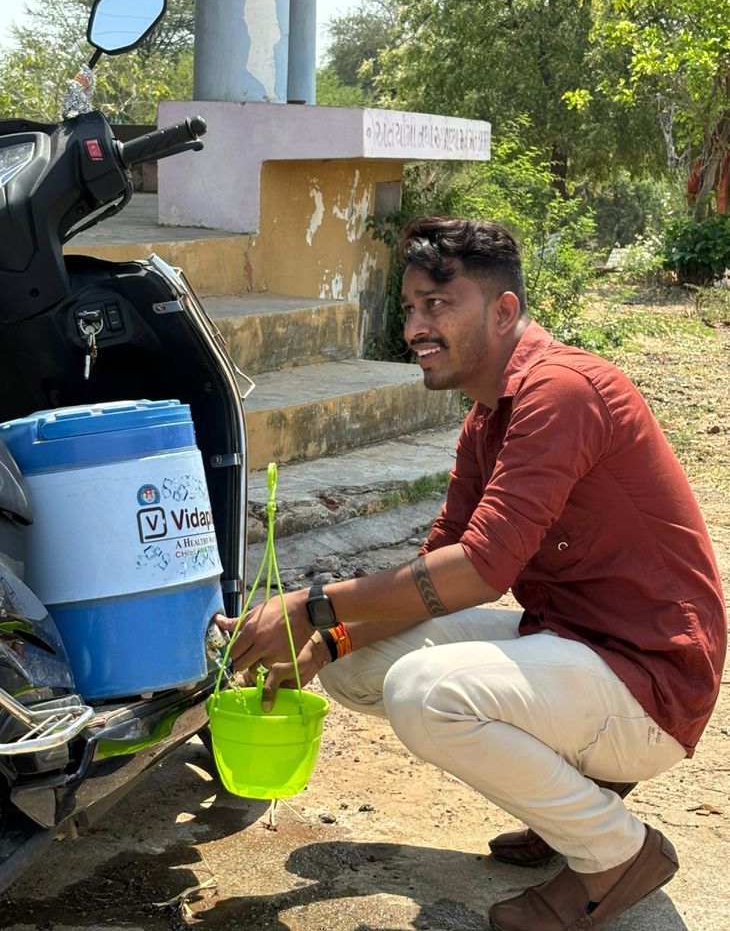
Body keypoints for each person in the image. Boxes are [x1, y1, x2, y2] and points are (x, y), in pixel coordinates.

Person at [216, 216, 726, 931]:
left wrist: (311, 604)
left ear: (504, 310)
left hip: (651, 679)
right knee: (354, 666)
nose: (416, 327)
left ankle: (617, 853)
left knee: (426, 693)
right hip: (580, 650)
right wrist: (326, 641)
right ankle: (584, 794)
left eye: (437, 304)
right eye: (410, 308)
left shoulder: (562, 391)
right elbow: (441, 560)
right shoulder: (488, 418)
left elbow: (481, 570)